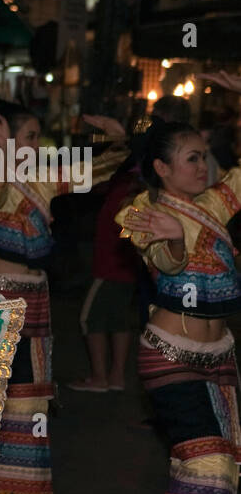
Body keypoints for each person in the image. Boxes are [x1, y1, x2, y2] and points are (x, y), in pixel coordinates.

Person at [0, 98, 129, 494]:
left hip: (37, 294)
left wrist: (121, 137)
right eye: (30, 137)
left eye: (37, 137)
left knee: (31, 393)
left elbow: (102, 171)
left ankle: (20, 491)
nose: (37, 145)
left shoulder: (45, 180)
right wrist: (7, 156)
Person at [116, 104, 240, 494]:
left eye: (207, 157)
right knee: (209, 463)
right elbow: (165, 263)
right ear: (162, 168)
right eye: (192, 158)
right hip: (169, 353)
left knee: (224, 469)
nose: (203, 167)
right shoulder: (138, 215)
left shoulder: (213, 205)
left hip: (222, 354)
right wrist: (170, 239)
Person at [70, 152, 141, 392]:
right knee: (118, 321)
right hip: (123, 269)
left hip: (112, 269)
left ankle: (100, 377)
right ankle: (116, 377)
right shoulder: (123, 187)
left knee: (90, 319)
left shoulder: (128, 192)